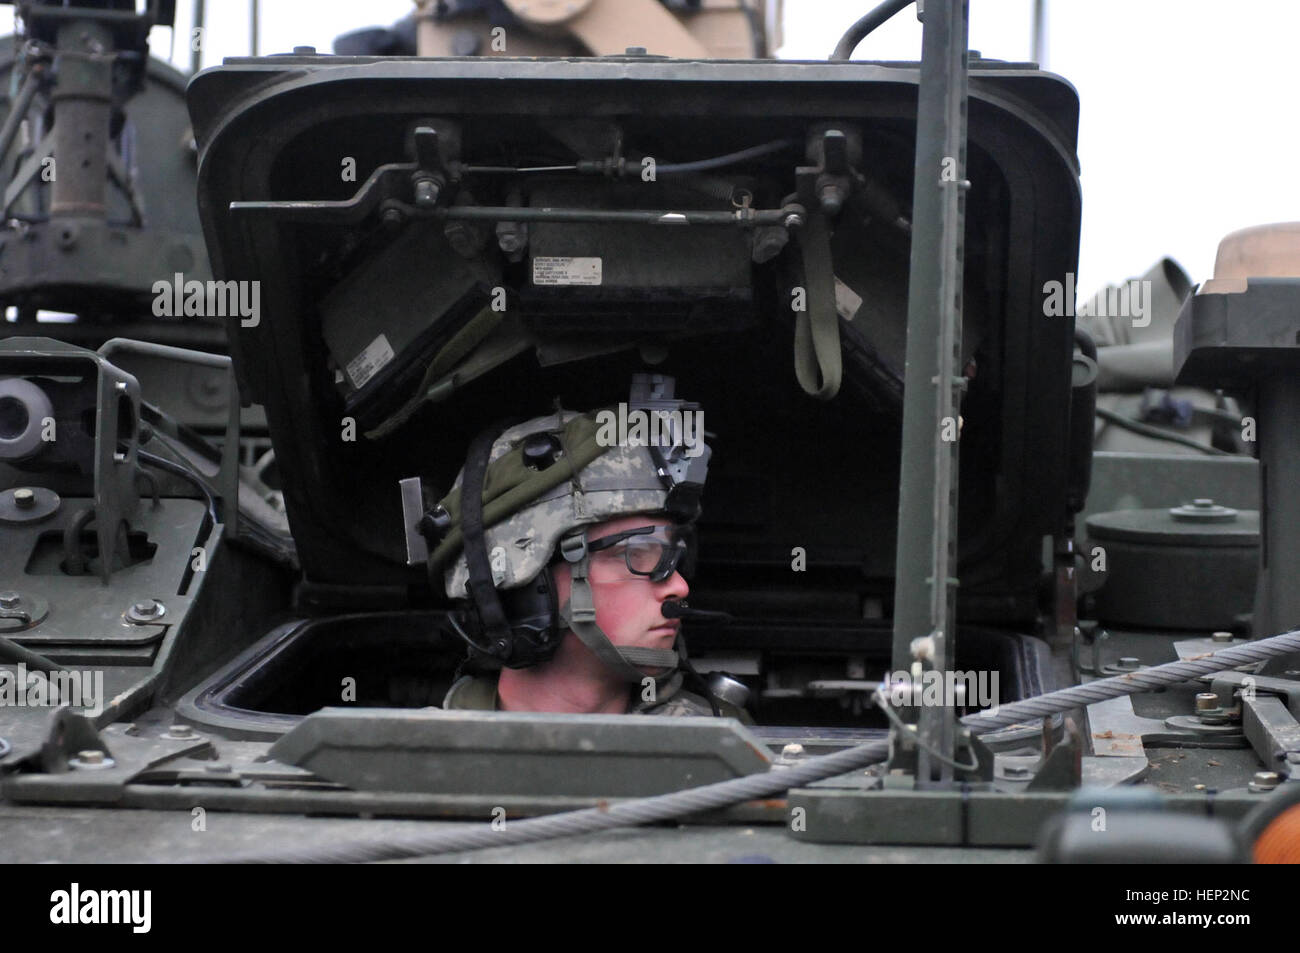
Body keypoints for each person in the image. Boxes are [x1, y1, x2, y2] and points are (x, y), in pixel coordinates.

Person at [425, 382, 747, 719]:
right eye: (634, 554)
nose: (679, 587)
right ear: (527, 588)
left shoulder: (726, 749)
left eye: (673, 555)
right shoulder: (416, 756)